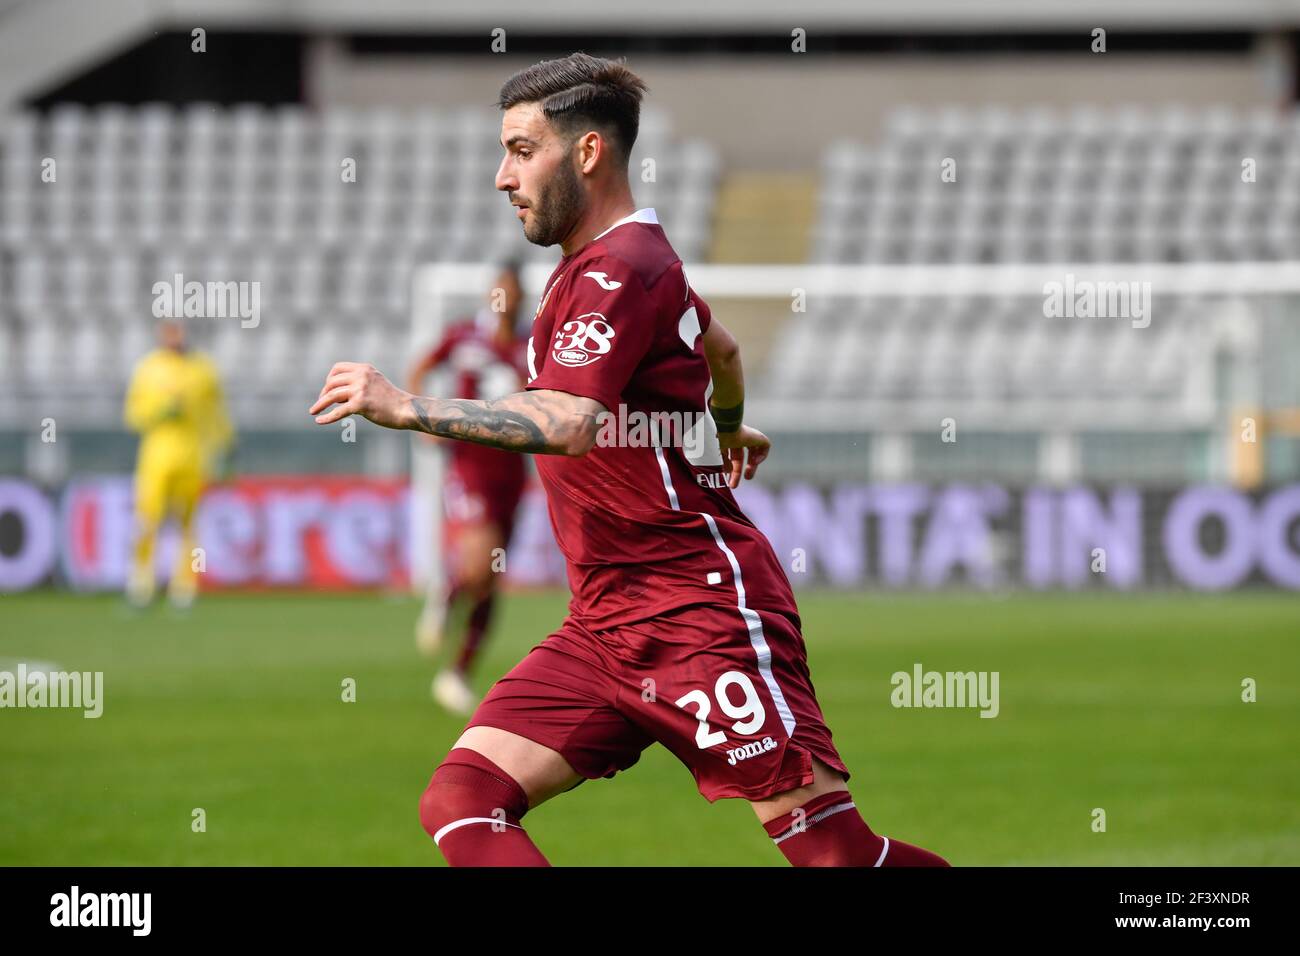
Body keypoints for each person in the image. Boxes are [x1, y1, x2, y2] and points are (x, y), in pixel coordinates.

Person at [310, 52, 948, 867]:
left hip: (698, 617)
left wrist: (406, 407)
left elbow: (573, 423)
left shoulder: (620, 267)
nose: (502, 176)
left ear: (586, 153)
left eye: (519, 149)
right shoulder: (613, 265)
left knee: (833, 854)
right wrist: (727, 427)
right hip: (603, 626)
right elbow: (722, 350)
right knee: (464, 799)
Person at [406, 262, 528, 714]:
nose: (506, 299)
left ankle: (458, 672)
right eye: (500, 290)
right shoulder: (463, 339)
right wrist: (425, 421)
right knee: (481, 558)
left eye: (513, 292)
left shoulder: (529, 346)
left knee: (492, 579)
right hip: (469, 464)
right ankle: (450, 590)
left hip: (513, 472)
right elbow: (419, 368)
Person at [124, 319, 233, 608]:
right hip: (156, 456)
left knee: (187, 524)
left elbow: (216, 413)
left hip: (193, 455)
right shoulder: (148, 368)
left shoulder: (203, 369)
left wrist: (227, 447)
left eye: (179, 331)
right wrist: (160, 410)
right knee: (147, 521)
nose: (175, 337)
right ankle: (141, 585)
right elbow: (133, 414)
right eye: (170, 331)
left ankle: (184, 589)